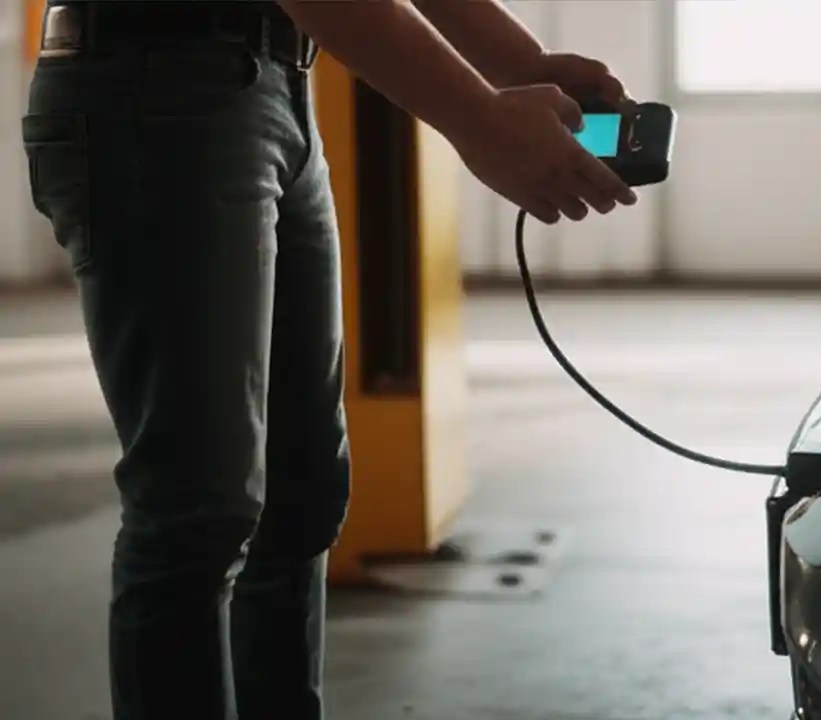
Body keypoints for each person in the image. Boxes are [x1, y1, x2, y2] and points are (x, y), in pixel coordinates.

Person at [22, 0, 638, 718]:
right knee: (197, 510)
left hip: (274, 82)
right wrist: (478, 117)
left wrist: (519, 64)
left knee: (301, 495)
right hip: (153, 85)